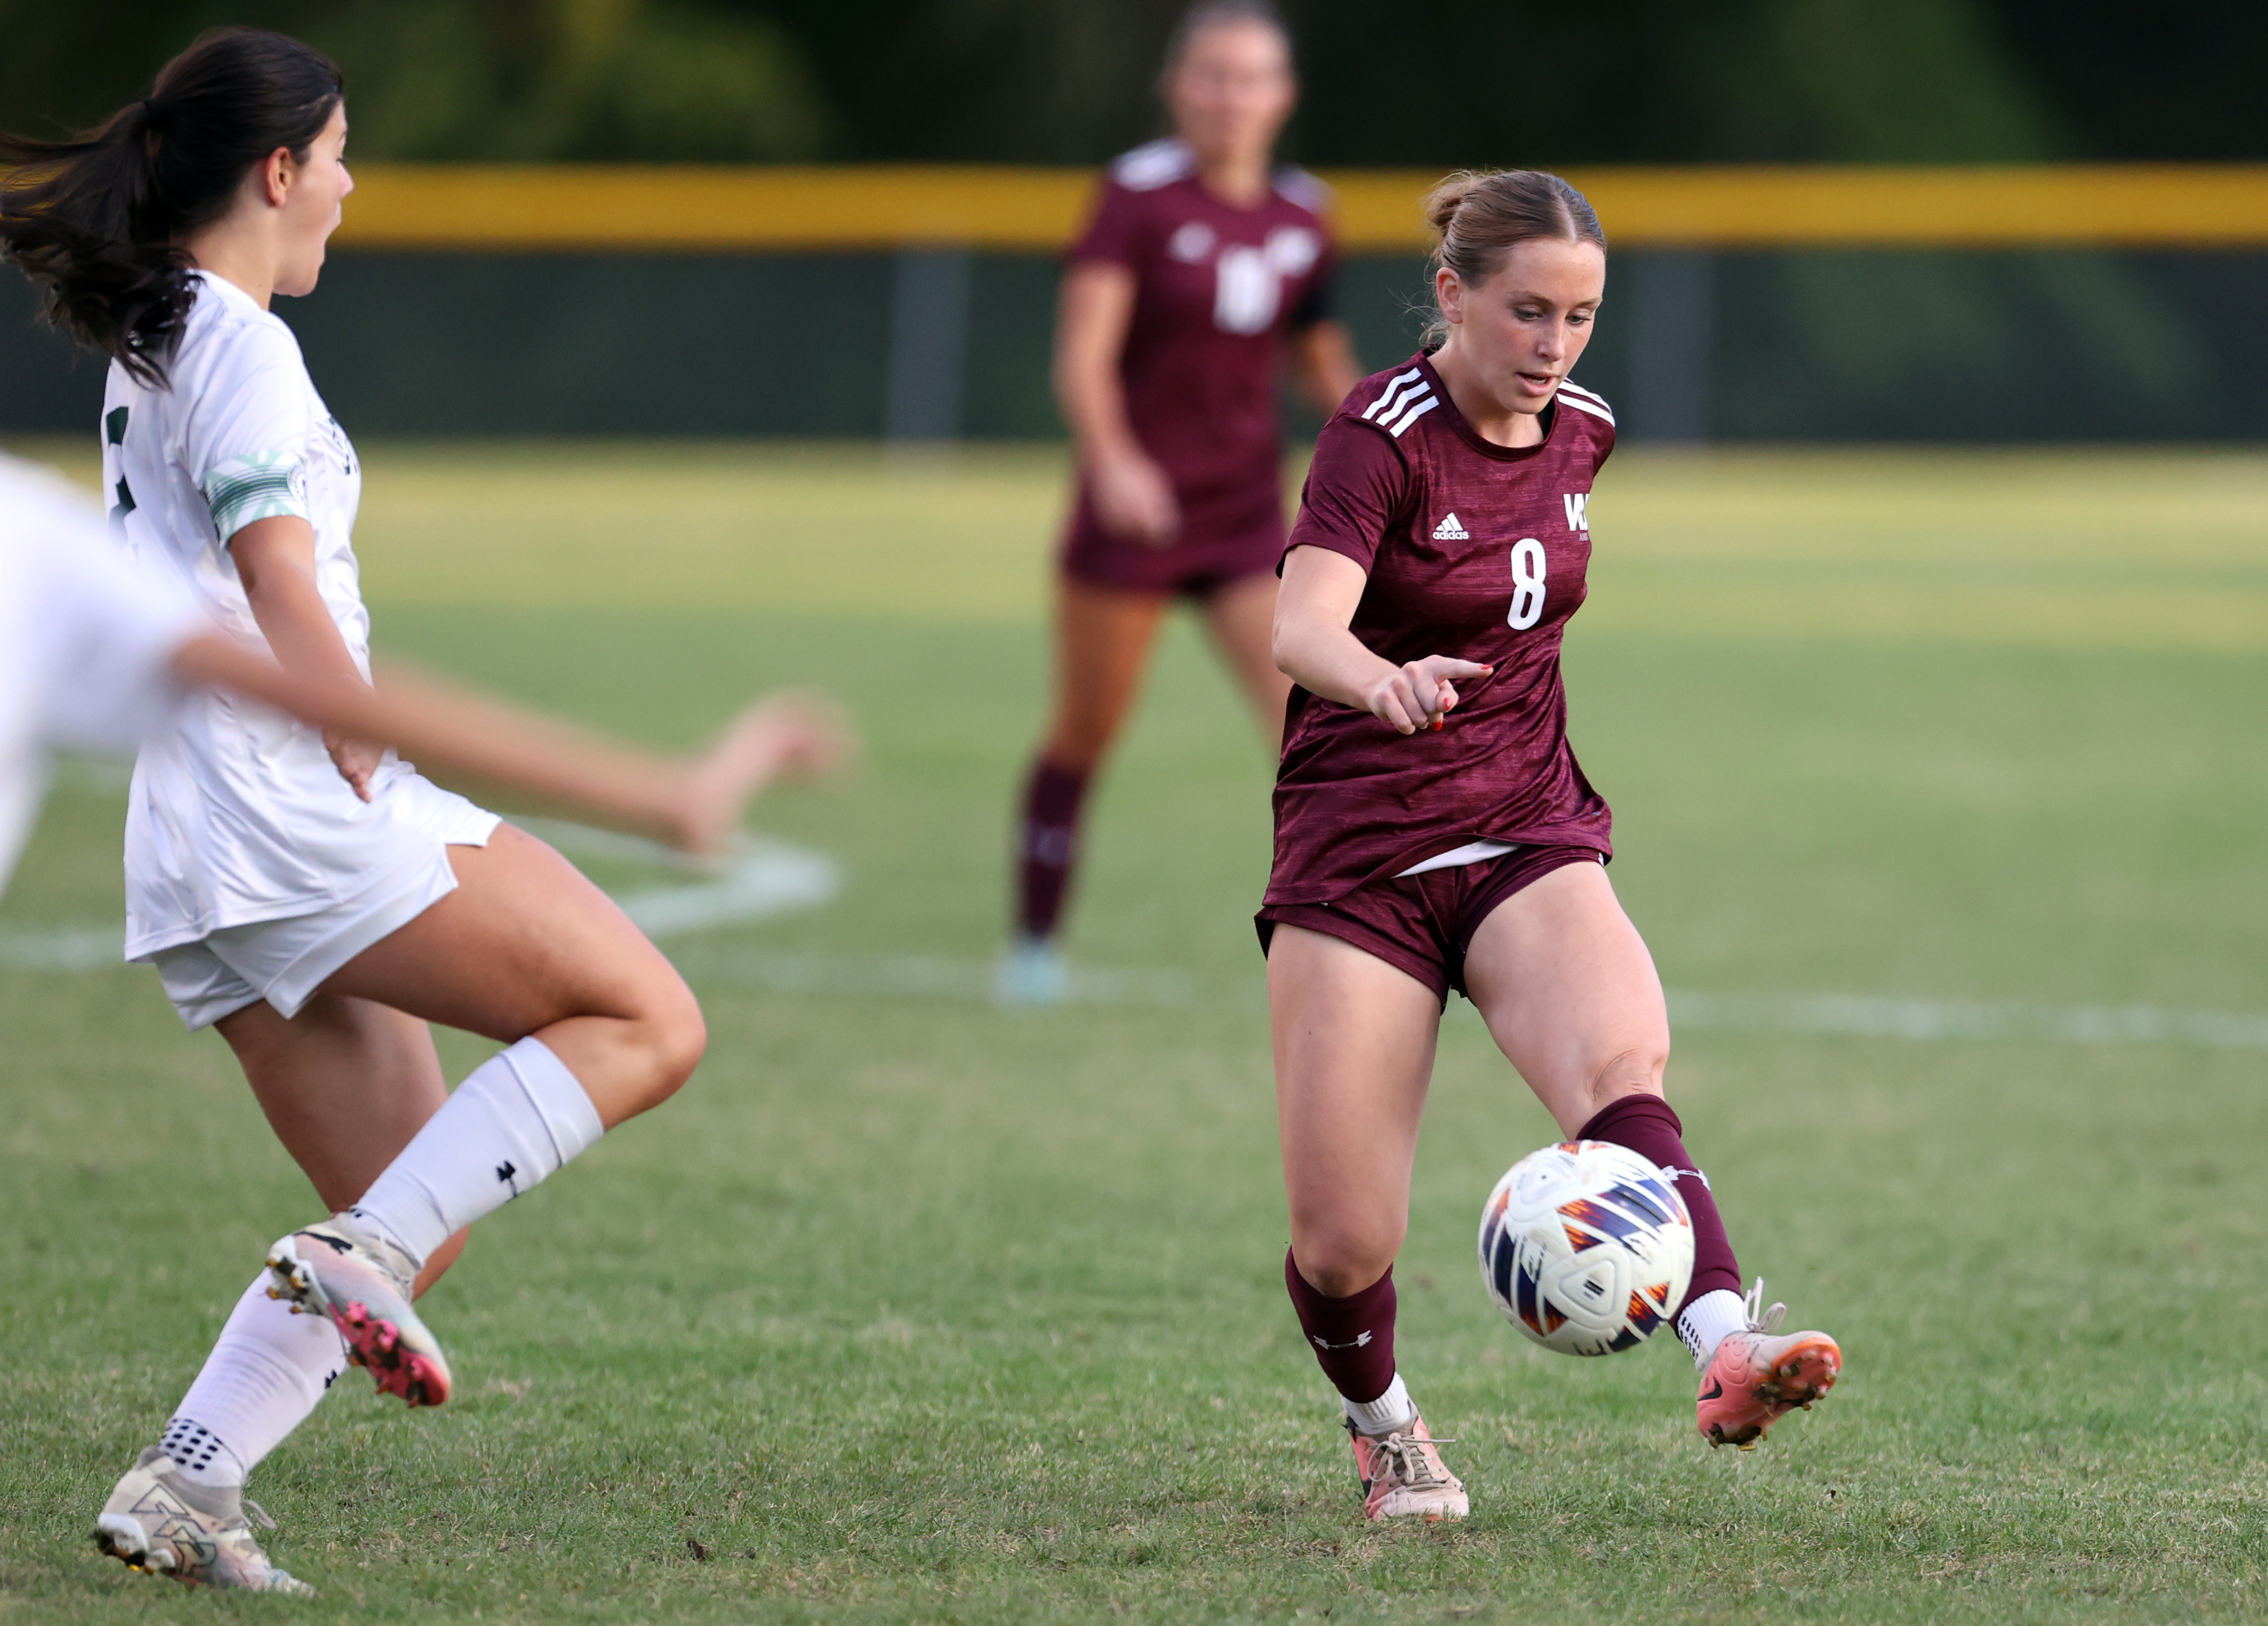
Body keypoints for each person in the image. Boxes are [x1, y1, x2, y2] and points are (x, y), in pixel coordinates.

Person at [0, 29, 845, 1593]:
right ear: (276, 171)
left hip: (192, 840)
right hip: (292, 802)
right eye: (333, 154)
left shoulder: (164, 328)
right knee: (647, 1015)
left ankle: (189, 1481)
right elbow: (273, 574)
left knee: (404, 1211)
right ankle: (351, 1263)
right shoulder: (243, 344)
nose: (347, 184)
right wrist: (353, 738)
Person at [1259, 170, 1842, 1523]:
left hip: (1525, 822)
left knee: (1622, 1060)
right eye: (1528, 312)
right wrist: (1380, 680)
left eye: (1580, 317)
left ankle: (1724, 1350)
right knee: (1344, 1241)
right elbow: (1299, 627)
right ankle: (1386, 1429)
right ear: (1452, 293)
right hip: (1363, 861)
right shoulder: (1380, 431)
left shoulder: (1587, 430)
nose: (1554, 346)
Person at [999, 0, 1359, 1005]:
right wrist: (1114, 461)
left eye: (1251, 78)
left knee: (1313, 724)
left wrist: (1398, 442)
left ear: (1283, 96)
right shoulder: (1136, 197)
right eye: (1211, 74)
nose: (1230, 96)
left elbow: (1318, 359)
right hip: (1136, 518)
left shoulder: (1305, 214)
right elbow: (1083, 357)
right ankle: (1033, 946)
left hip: (1248, 517)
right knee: (1086, 729)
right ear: (1176, 86)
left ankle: (1339, 944)